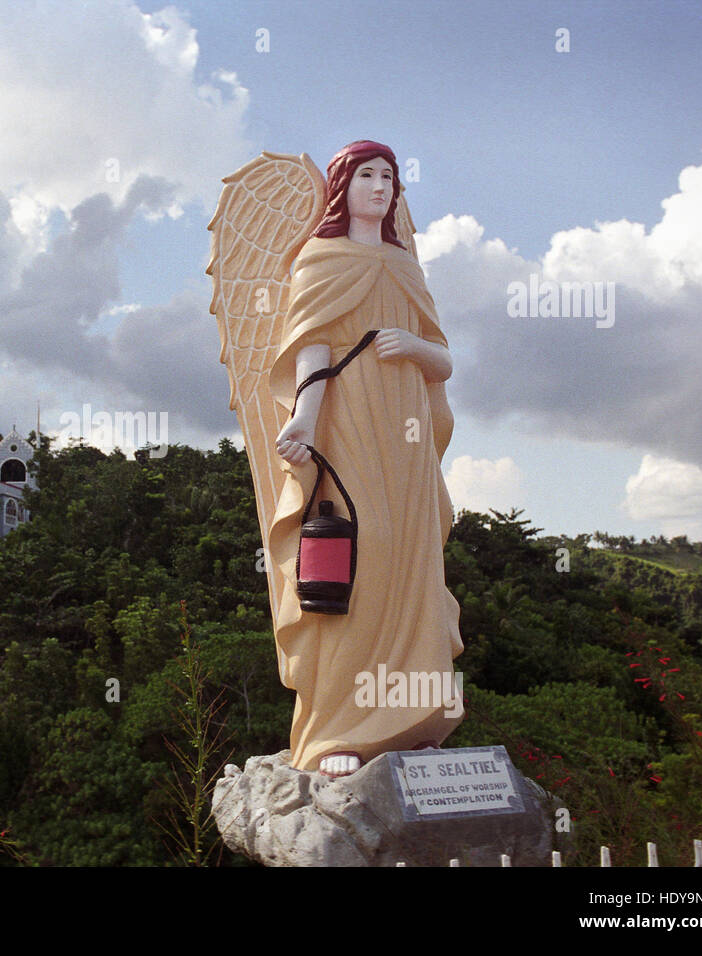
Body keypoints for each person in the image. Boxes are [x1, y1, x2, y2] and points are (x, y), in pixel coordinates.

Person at [268, 141, 463, 778]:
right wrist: (303, 416)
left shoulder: (407, 270)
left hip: (406, 440)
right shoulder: (320, 258)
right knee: (363, 557)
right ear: (342, 187)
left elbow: (444, 361)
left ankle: (413, 720)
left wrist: (412, 344)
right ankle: (339, 729)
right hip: (350, 427)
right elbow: (314, 349)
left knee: (413, 562)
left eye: (389, 177)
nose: (379, 187)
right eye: (366, 175)